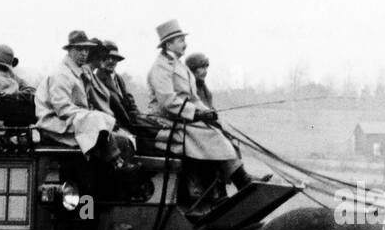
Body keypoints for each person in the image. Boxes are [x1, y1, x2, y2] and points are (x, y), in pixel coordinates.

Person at [147, 20, 256, 191]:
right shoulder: (160, 68)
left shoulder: (179, 65)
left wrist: (208, 113)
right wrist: (196, 114)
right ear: (168, 43)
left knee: (221, 129)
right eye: (181, 40)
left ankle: (232, 180)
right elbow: (168, 101)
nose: (185, 44)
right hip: (166, 119)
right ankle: (240, 180)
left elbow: (194, 98)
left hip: (183, 117)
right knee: (212, 135)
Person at [35, 30, 135, 168]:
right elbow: (62, 109)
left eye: (87, 50)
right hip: (54, 124)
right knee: (99, 121)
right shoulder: (61, 74)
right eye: (79, 49)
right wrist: (89, 116)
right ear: (70, 51)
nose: (84, 53)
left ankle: (115, 168)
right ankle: (117, 164)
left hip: (71, 122)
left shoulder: (77, 72)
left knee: (113, 133)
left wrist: (89, 116)